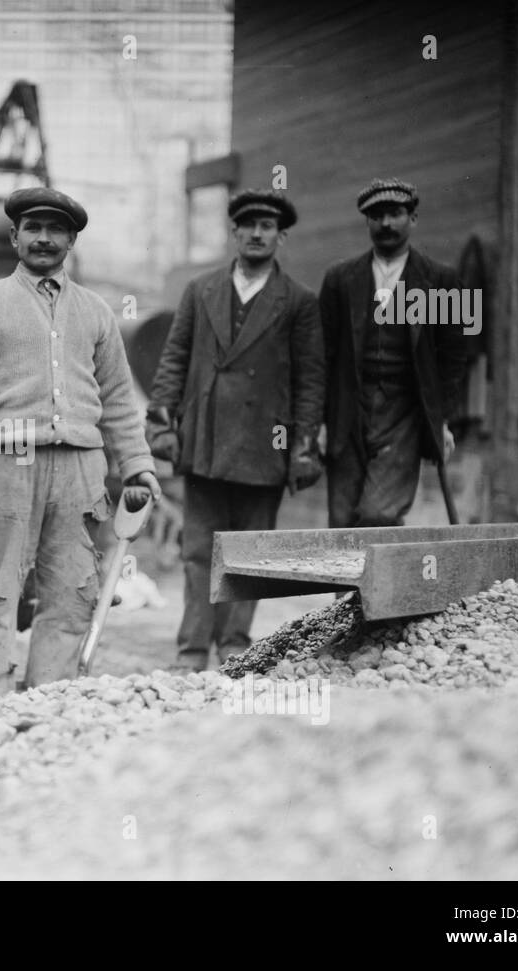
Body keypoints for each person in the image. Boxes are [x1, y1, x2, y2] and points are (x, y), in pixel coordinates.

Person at [0, 187, 161, 703]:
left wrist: (138, 465)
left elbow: (118, 399)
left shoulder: (97, 312)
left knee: (72, 592)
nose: (44, 238)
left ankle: (49, 704)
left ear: (71, 240)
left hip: (81, 471)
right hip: (6, 468)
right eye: (33, 229)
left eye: (56, 230)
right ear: (14, 237)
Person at [147, 189, 325, 670]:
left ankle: (233, 645)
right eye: (246, 224)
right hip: (205, 438)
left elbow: (311, 380)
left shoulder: (299, 301)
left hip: (265, 445)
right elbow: (174, 360)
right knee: (199, 549)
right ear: (233, 233)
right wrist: (162, 423)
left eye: (266, 226)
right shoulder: (200, 290)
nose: (256, 233)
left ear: (280, 236)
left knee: (249, 554)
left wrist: (304, 446)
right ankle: (190, 649)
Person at [319, 179, 467, 527]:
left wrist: (442, 418)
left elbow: (456, 356)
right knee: (341, 519)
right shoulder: (339, 279)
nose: (386, 223)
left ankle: (379, 578)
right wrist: (319, 424)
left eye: (396, 214)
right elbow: (321, 355)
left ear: (413, 219)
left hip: (405, 414)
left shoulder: (443, 280)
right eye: (376, 215)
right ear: (366, 222)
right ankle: (349, 584)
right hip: (348, 412)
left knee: (378, 514)